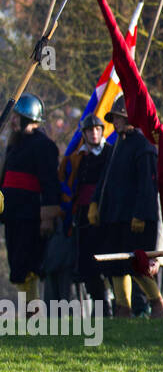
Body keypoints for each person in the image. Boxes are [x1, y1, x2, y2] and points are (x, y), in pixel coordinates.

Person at [93, 96, 163, 318]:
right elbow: (105, 180)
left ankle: (158, 304)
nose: (115, 121)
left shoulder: (144, 147)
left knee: (137, 264)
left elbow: (147, 185)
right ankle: (122, 308)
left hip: (135, 218)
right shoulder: (118, 146)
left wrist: (141, 214)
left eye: (119, 117)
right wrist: (96, 203)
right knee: (116, 265)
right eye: (114, 117)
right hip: (115, 216)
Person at [2, 94, 62, 304]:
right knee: (17, 266)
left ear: (29, 118)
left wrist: (47, 217)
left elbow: (49, 183)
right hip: (13, 216)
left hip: (30, 217)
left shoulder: (43, 146)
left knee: (28, 266)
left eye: (17, 117)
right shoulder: (14, 145)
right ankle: (29, 314)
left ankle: (33, 315)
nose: (13, 120)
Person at [63, 114, 110, 311]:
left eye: (98, 129)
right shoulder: (79, 157)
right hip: (82, 217)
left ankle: (115, 306)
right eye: (90, 130)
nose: (94, 133)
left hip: (104, 216)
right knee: (86, 264)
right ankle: (99, 308)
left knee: (106, 263)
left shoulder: (110, 153)